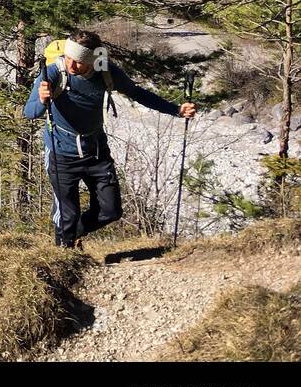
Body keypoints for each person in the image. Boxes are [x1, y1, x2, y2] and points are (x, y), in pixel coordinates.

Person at [23, 30, 196, 247]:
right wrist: (41, 99)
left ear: (94, 61)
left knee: (110, 211)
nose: (72, 65)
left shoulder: (107, 73)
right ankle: (65, 256)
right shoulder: (53, 73)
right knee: (67, 215)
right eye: (69, 58)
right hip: (61, 153)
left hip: (95, 151)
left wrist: (176, 110)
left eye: (79, 62)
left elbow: (139, 94)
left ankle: (75, 232)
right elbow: (29, 112)